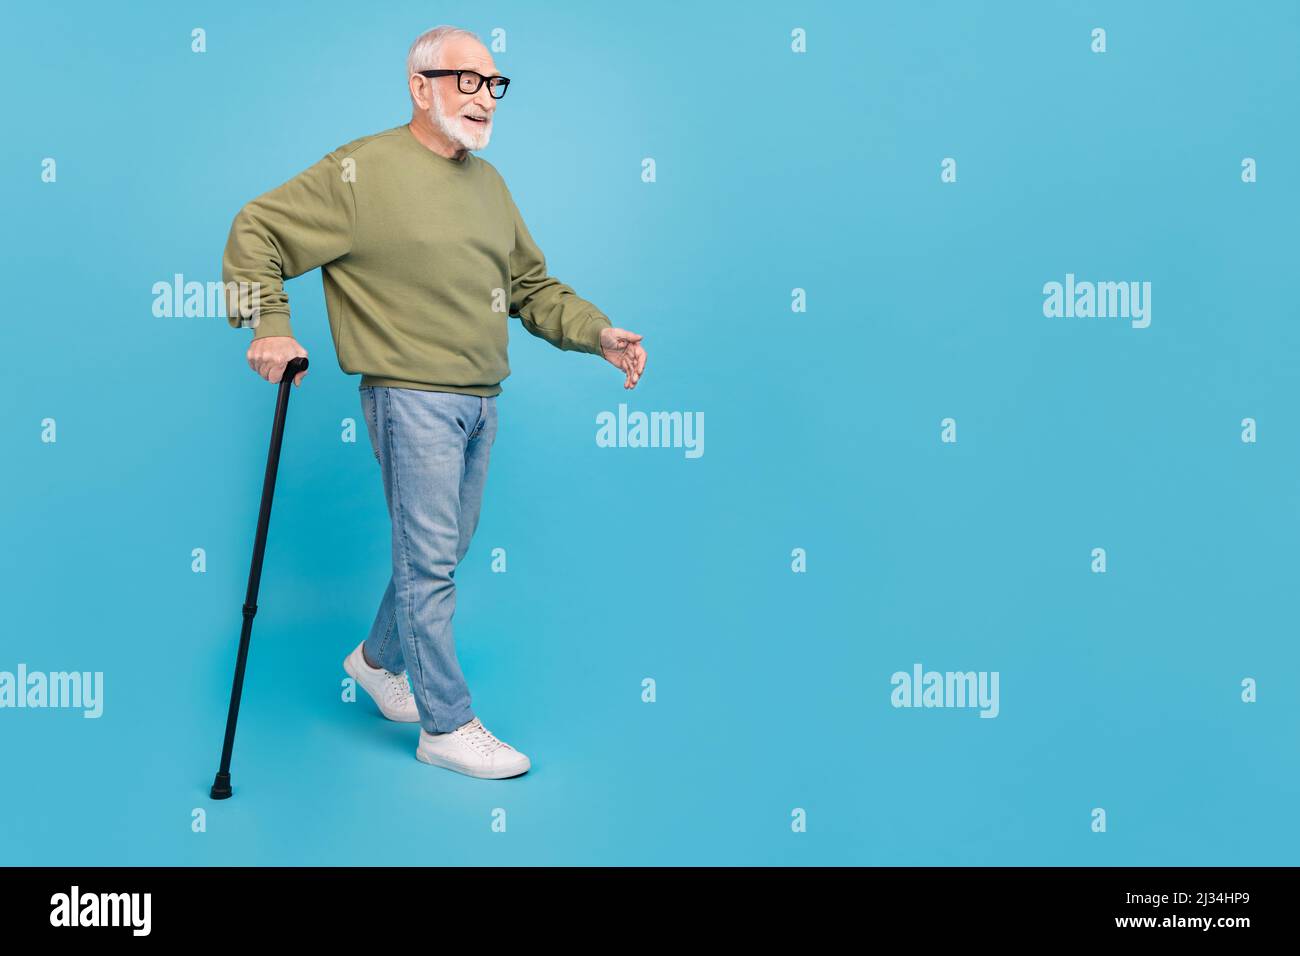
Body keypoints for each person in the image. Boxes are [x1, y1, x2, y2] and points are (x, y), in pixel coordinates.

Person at [221, 24, 647, 780]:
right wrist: (271, 325)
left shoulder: (490, 185)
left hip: (481, 398)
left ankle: (375, 660)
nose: (486, 98)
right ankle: (445, 725)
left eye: (494, 84)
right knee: (430, 565)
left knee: (439, 554)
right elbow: (259, 229)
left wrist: (597, 333)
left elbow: (529, 286)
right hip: (409, 393)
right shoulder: (362, 172)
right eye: (467, 80)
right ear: (421, 88)